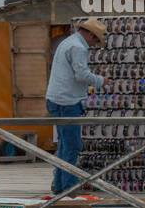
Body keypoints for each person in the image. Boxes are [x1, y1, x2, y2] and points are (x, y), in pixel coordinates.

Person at [45, 18, 106, 192]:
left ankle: (59, 185)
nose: (94, 44)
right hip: (67, 101)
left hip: (56, 99)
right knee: (72, 145)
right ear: (90, 34)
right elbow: (82, 75)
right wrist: (101, 80)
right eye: (95, 40)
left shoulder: (68, 42)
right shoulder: (78, 48)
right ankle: (68, 187)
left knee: (65, 144)